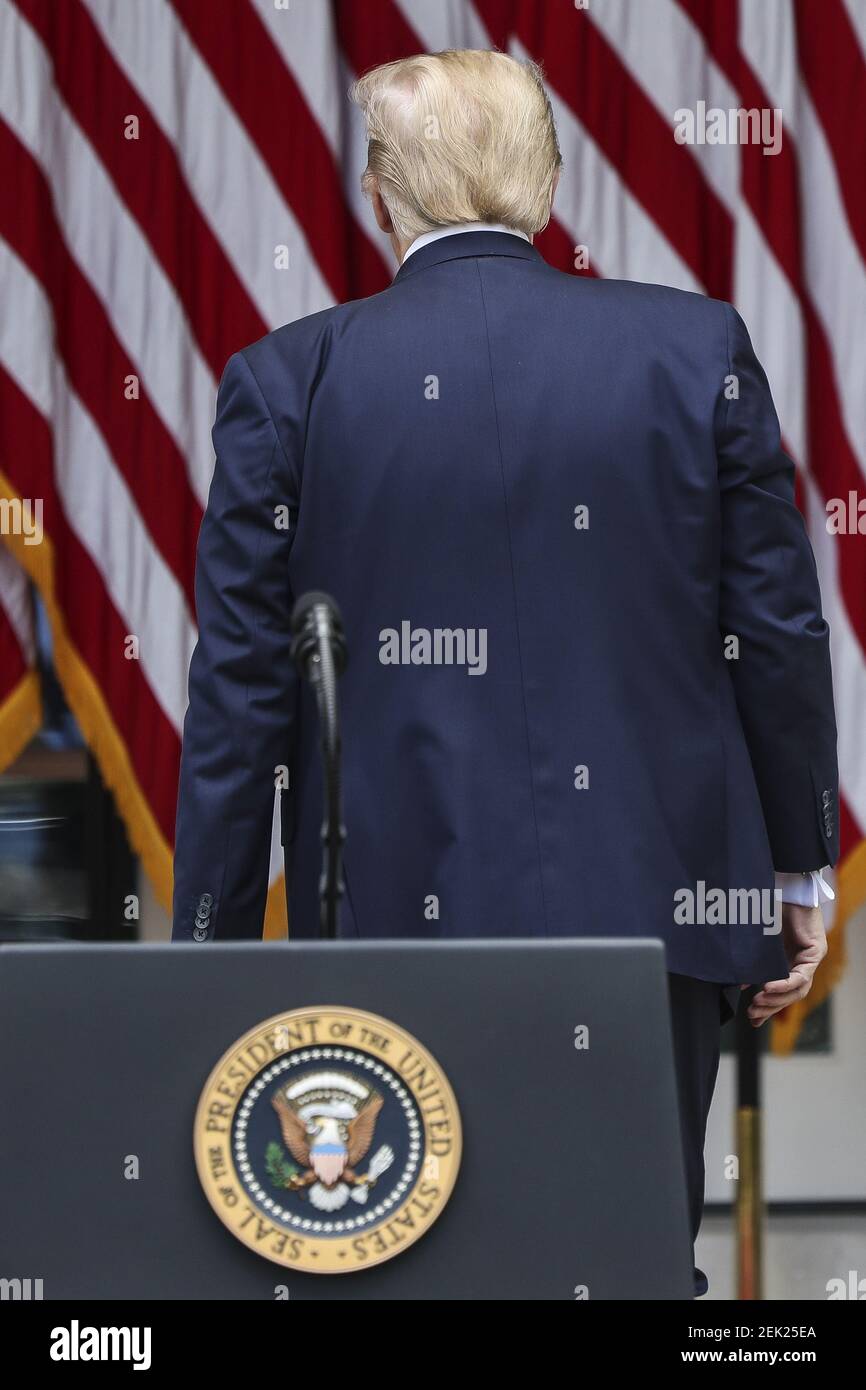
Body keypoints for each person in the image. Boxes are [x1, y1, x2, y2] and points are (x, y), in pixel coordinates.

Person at [172, 50, 838, 1297]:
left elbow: (238, 704)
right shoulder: (693, 349)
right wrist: (800, 862)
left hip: (388, 924)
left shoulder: (286, 383)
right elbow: (777, 634)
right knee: (634, 1266)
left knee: (405, 1272)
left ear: (381, 196)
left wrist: (204, 945)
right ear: (543, 181)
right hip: (661, 912)